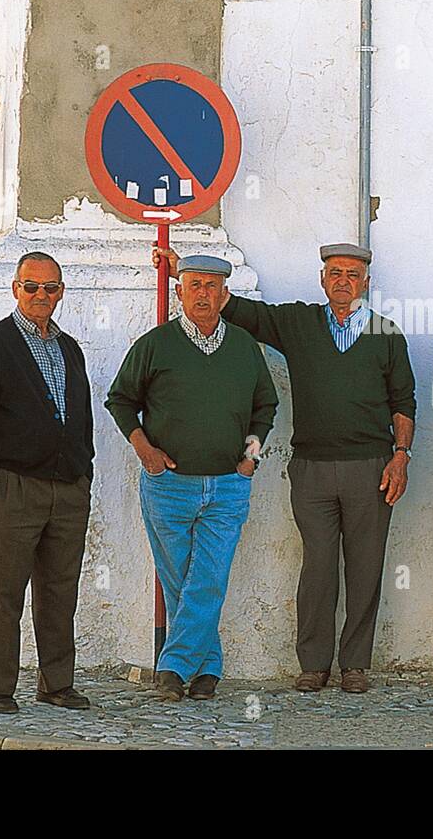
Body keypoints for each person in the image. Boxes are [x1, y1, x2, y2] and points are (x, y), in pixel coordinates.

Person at [152, 241, 416, 693]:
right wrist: (185, 271)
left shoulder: (385, 334)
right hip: (311, 468)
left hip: (370, 468)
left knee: (366, 567)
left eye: (353, 274)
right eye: (335, 273)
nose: (343, 281)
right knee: (316, 568)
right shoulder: (299, 323)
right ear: (322, 278)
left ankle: (355, 665)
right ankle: (313, 664)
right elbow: (240, 311)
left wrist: (400, 456)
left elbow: (403, 402)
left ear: (366, 282)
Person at [106, 254, 278, 702]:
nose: (202, 292)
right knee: (180, 579)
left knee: (209, 578)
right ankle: (208, 669)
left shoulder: (244, 346)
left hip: (227, 485)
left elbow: (266, 407)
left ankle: (173, 667)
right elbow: (121, 400)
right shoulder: (156, 344)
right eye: (194, 284)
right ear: (179, 290)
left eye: (211, 286)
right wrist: (146, 452)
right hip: (169, 485)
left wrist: (251, 458)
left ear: (225, 294)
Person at [0, 252, 96, 714]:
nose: (41, 296)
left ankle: (56, 683)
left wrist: (84, 471)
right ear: (15, 289)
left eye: (50, 288)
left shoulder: (68, 347)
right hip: (13, 486)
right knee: (4, 592)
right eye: (32, 287)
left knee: (60, 591)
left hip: (68, 488)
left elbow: (83, 416)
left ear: (61, 292)